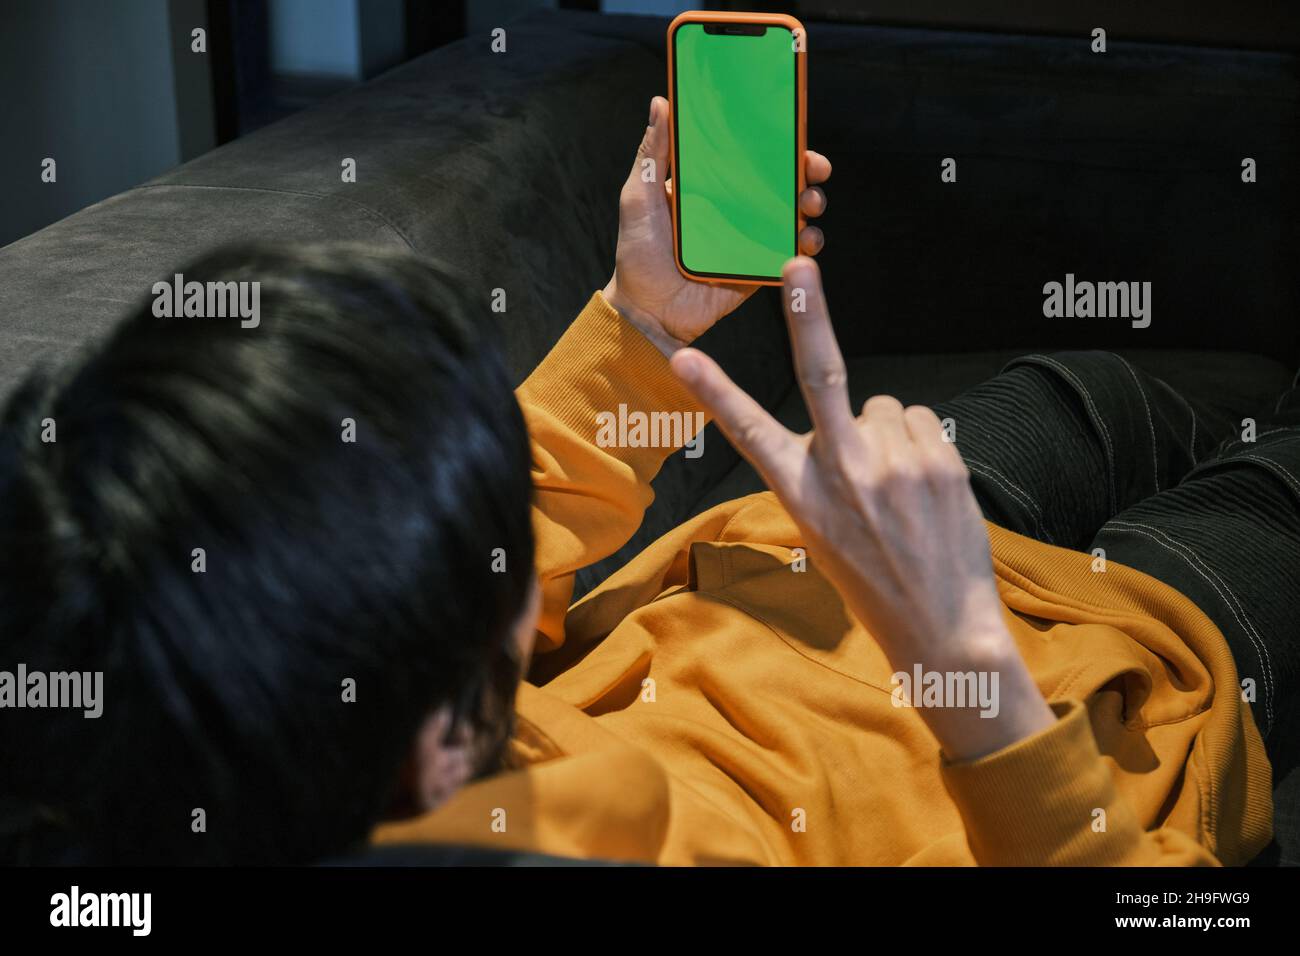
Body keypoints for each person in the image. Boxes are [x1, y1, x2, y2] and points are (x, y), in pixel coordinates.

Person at [0, 97, 1285, 865]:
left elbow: (516, 503)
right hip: (1125, 661)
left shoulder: (237, 716)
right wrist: (971, 677)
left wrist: (640, 316)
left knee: (1093, 383)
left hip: (838, 521)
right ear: (444, 737)